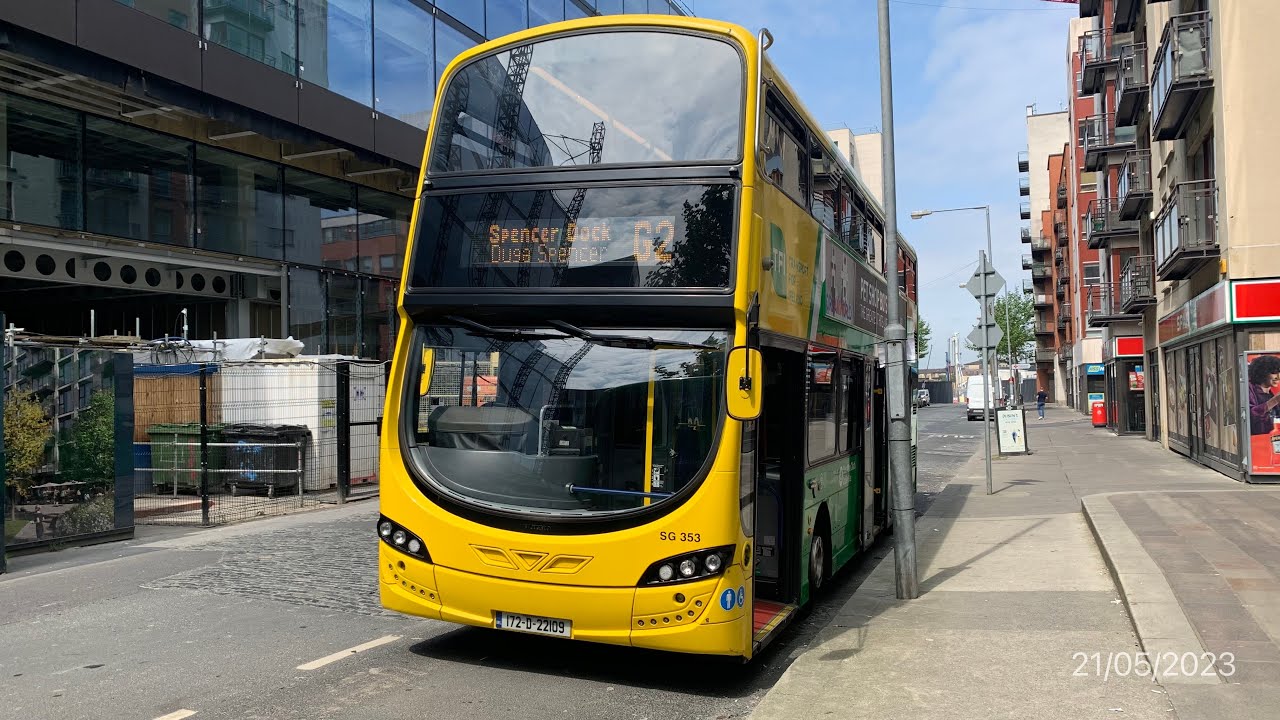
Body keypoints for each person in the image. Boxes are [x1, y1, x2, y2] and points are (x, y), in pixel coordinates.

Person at [1247, 354, 1280, 435]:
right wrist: (1275, 400)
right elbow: (1250, 415)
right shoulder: (1250, 389)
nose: (1278, 377)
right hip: (1256, 439)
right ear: (1263, 373)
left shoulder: (1271, 393)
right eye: (1274, 373)